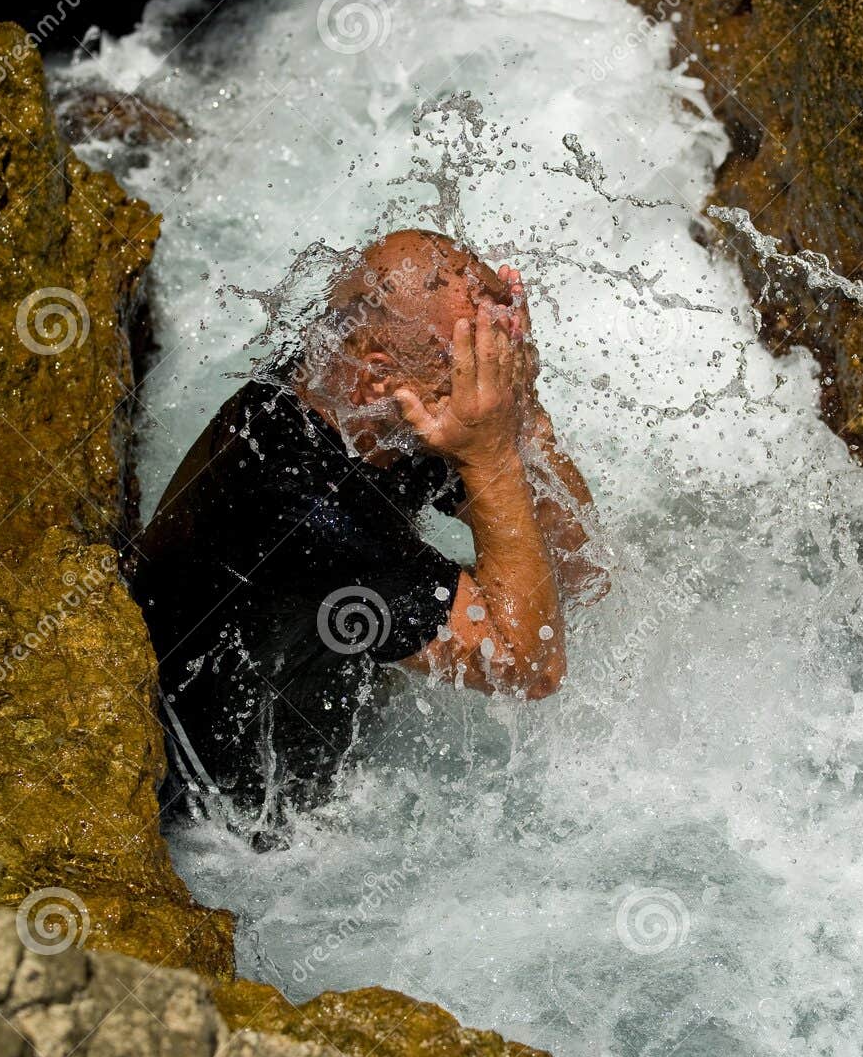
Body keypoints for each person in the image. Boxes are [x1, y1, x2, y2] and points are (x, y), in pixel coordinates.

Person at [129, 228, 605, 836]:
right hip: (218, 829)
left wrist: (523, 413)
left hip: (308, 730)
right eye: (467, 358)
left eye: (491, 352)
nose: (480, 378)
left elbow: (583, 571)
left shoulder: (371, 400)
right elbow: (529, 667)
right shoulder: (299, 503)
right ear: (380, 375)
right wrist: (492, 458)